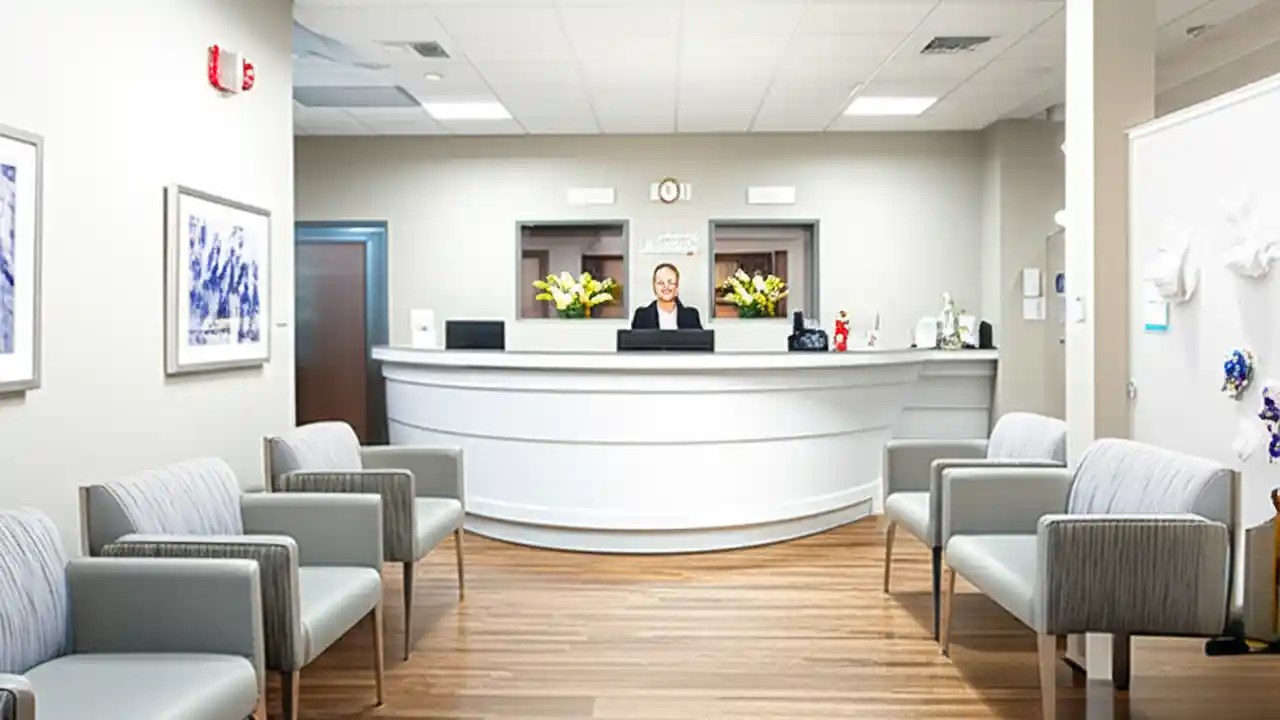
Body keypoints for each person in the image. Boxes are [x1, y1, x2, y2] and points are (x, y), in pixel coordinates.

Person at [631, 263, 703, 330]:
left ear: (677, 286)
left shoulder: (691, 315)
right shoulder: (641, 316)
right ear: (654, 287)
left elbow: (700, 342)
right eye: (661, 283)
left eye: (670, 282)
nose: (666, 287)